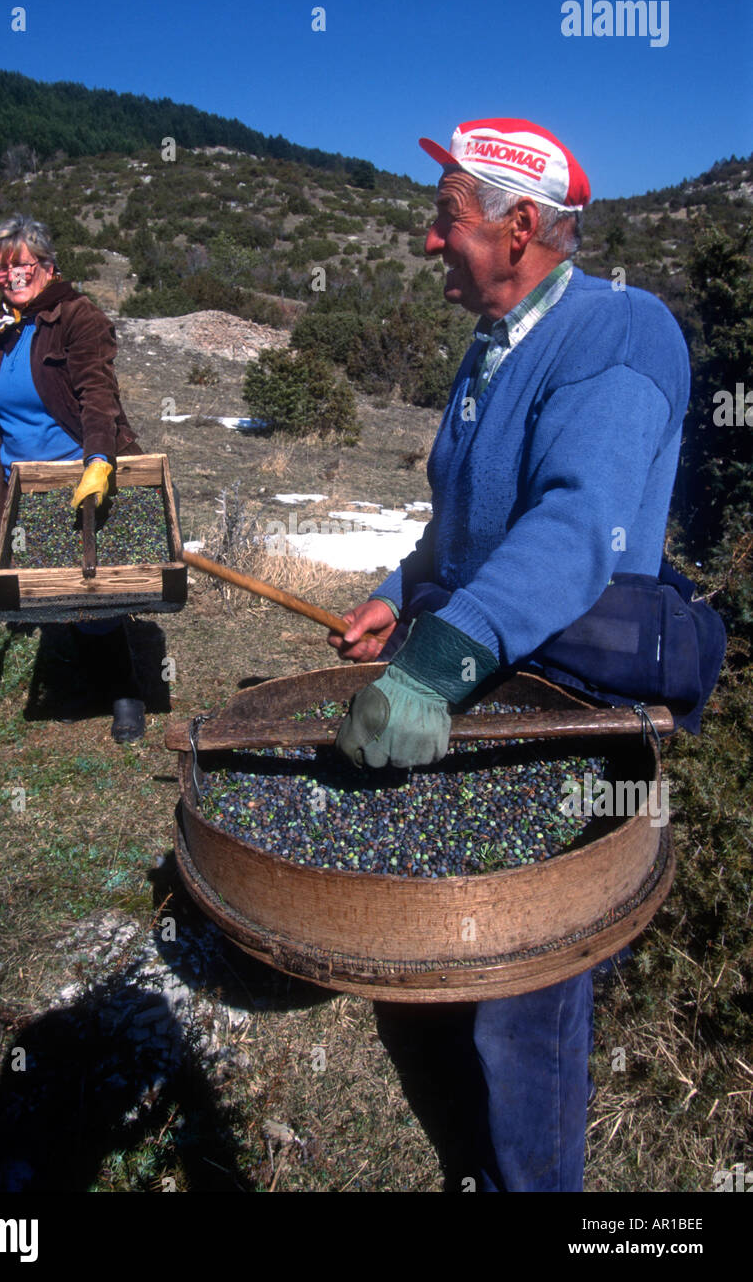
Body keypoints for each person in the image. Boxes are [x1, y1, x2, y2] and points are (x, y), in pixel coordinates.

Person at [327, 117, 691, 1190]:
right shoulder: (493, 349)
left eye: (444, 219)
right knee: (425, 979)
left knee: (516, 1018)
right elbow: (461, 523)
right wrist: (401, 595)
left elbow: (581, 528)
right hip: (481, 693)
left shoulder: (617, 333)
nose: (429, 241)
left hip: (558, 717)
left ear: (519, 224)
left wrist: (439, 660)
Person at [0, 214, 147, 742]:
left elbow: (98, 393)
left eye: (21, 264)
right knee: (50, 591)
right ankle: (82, 685)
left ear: (46, 265)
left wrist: (99, 459)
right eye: (0, 268)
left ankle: (125, 693)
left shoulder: (77, 316)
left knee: (94, 588)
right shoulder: (0, 329)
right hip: (19, 478)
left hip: (75, 474)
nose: (12, 276)